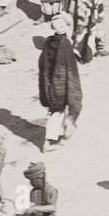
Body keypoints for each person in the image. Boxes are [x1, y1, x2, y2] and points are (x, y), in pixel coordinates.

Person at [38, 13, 83, 152]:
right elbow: (68, 66)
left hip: (49, 81)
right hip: (60, 84)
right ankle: (48, 142)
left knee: (57, 111)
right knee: (56, 112)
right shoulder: (65, 44)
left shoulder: (48, 41)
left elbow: (42, 61)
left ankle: (60, 134)